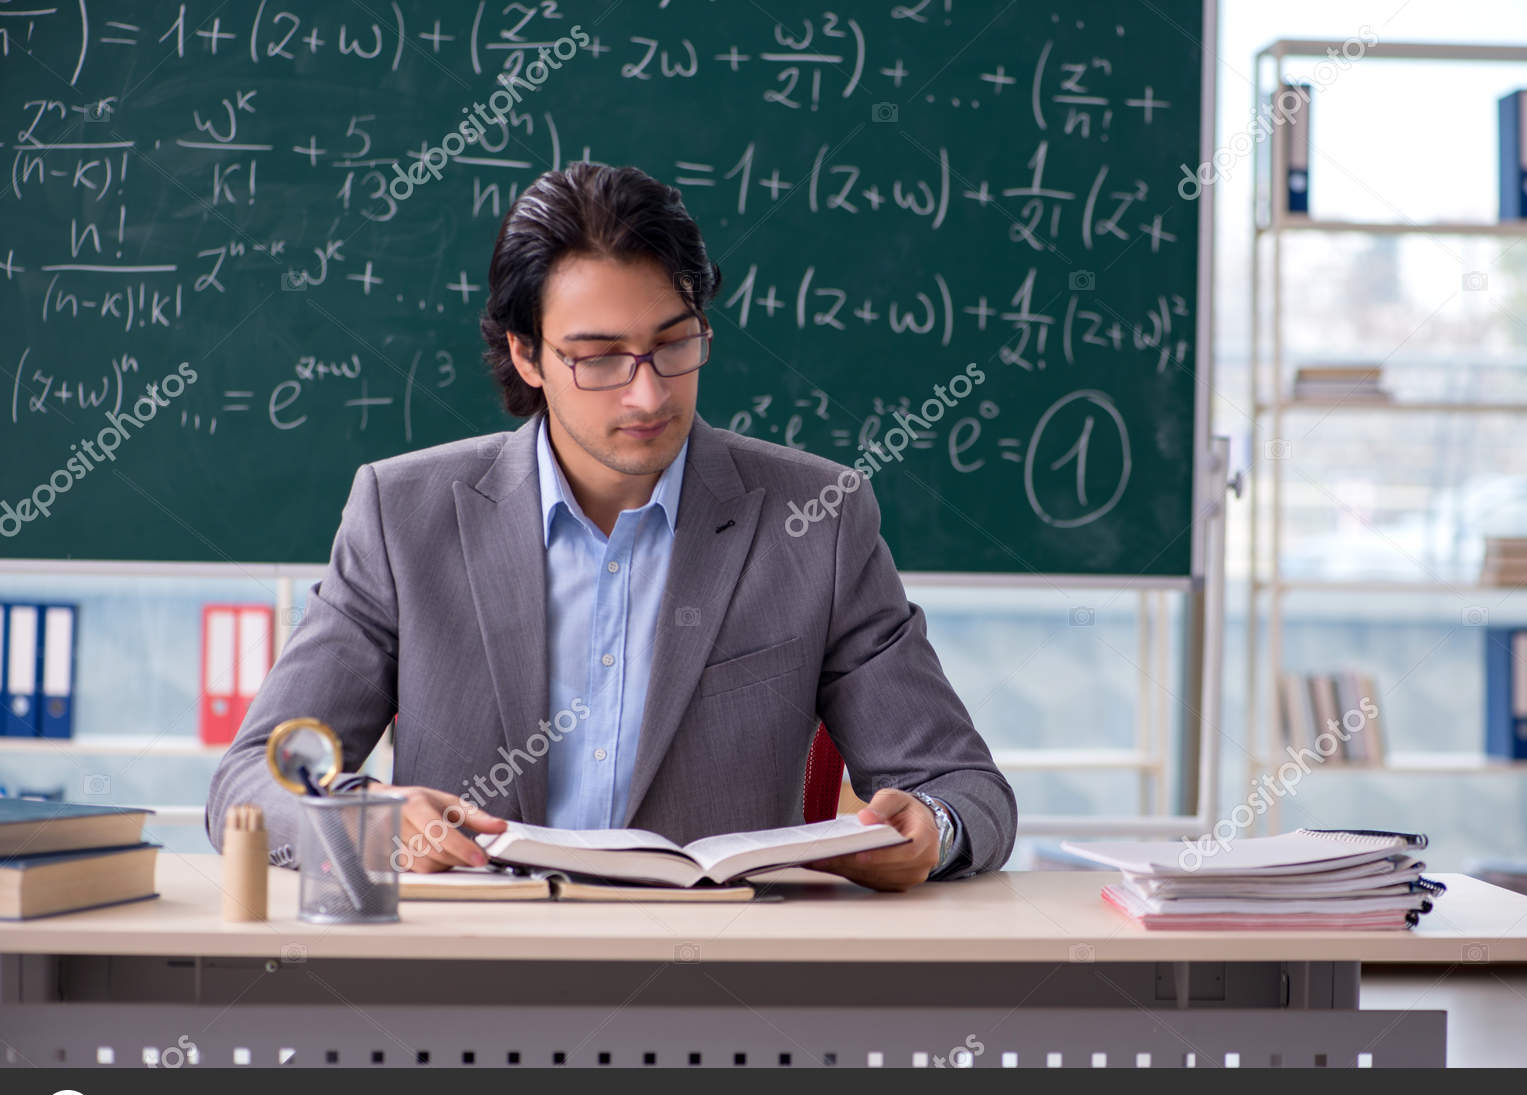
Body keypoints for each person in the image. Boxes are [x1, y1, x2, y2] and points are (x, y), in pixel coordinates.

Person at [207, 161, 1016, 891]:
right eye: (598, 359)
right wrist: (369, 823)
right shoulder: (402, 514)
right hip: (464, 986)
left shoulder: (818, 519)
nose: (648, 395)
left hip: (723, 990)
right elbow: (248, 785)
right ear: (527, 356)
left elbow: (966, 789)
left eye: (674, 345)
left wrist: (932, 832)